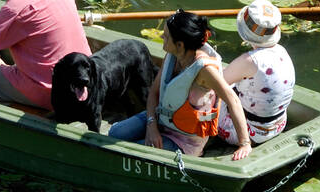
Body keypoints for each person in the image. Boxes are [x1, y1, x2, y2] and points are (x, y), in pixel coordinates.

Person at [108, 9, 252, 161]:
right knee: (115, 134)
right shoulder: (172, 55)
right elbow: (154, 93)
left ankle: (195, 152)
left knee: (129, 152)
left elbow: (233, 100)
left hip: (184, 140)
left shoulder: (204, 69)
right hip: (160, 119)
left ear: (180, 45)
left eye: (166, 36)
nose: (162, 36)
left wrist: (245, 143)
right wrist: (152, 126)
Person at [211, 0, 296, 147]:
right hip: (278, 125)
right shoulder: (282, 50)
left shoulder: (249, 60)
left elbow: (216, 84)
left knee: (206, 93)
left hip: (248, 133)